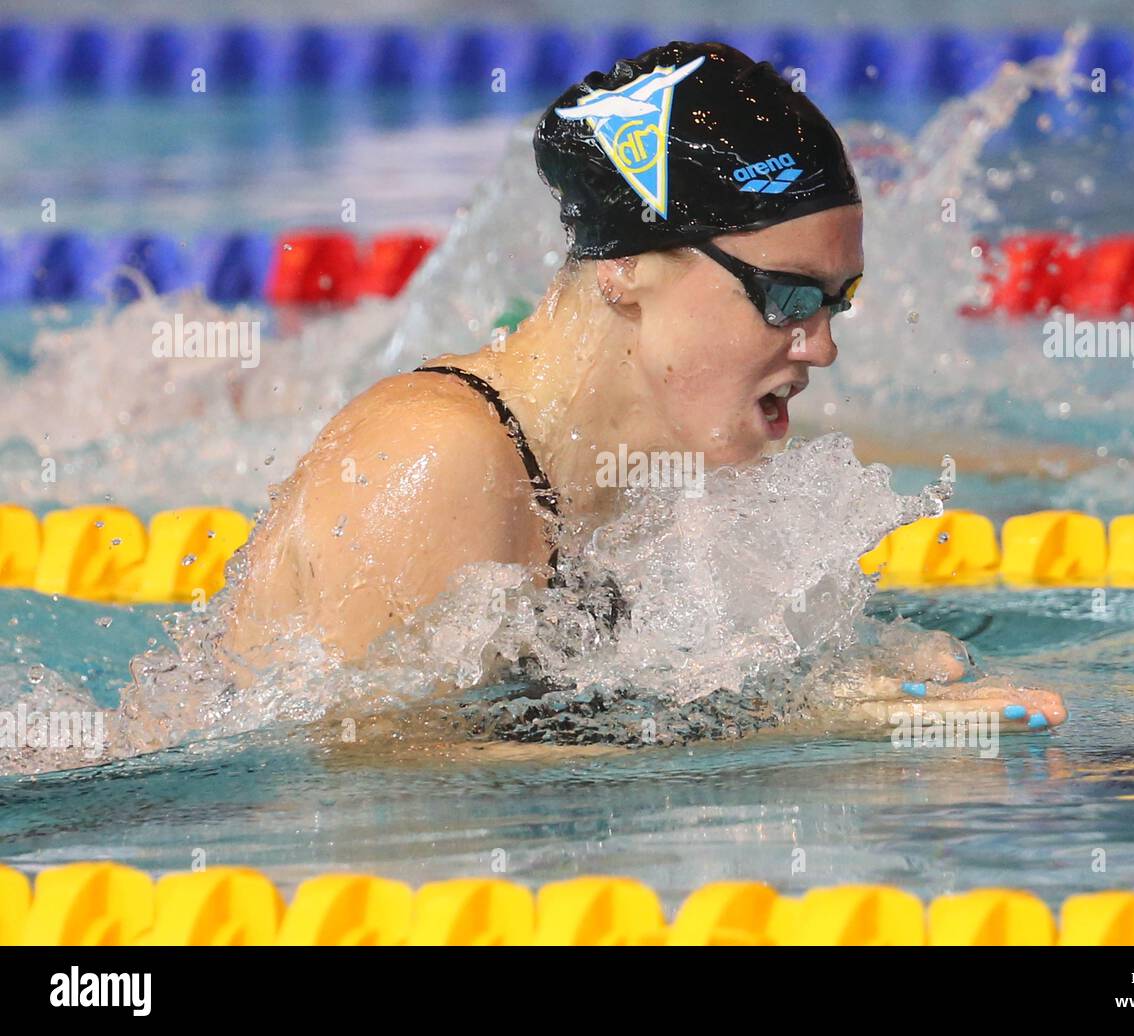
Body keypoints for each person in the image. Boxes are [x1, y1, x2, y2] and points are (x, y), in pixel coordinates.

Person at [222, 41, 1067, 738]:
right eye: (787, 296)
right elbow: (373, 776)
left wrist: (852, 675)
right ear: (626, 266)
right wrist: (803, 729)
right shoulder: (435, 459)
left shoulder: (664, 463)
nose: (821, 345)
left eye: (837, 300)